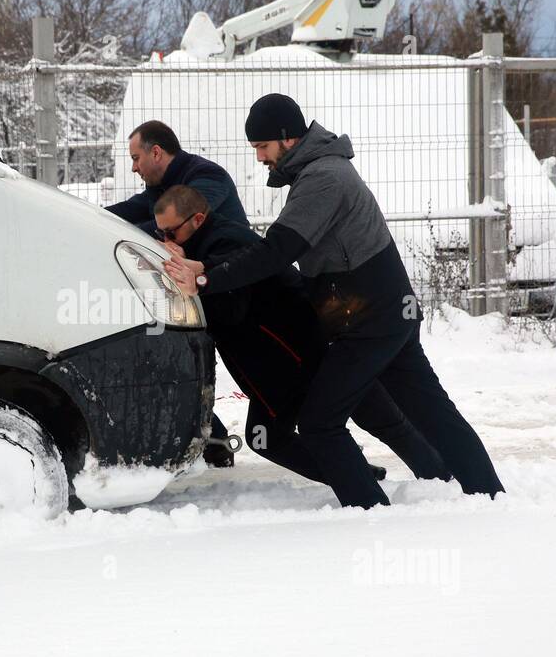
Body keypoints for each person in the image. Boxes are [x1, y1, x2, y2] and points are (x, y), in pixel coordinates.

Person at [163, 94, 504, 510]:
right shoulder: (318, 172)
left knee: (321, 422)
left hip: (370, 318)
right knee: (430, 411)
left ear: (287, 139)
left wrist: (204, 279)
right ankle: (487, 495)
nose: (259, 158)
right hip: (379, 312)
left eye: (262, 147)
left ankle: (372, 512)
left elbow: (277, 250)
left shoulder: (324, 178)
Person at [154, 184, 449, 487]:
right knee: (290, 433)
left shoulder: (226, 240)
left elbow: (230, 311)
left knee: (358, 419)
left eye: (170, 233)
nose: (166, 241)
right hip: (287, 360)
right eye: (160, 233)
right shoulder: (207, 243)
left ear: (198, 220)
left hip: (297, 356)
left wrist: (189, 281)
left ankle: (421, 475)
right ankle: (379, 474)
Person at [106, 120, 248, 231]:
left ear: (156, 153)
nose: (134, 168)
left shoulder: (208, 176)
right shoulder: (162, 183)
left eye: (136, 158)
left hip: (233, 263)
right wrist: (94, 216)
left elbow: (174, 223)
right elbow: (133, 208)